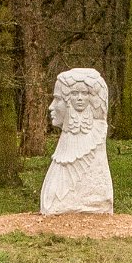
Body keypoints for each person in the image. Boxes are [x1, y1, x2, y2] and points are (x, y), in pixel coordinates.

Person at [39, 68, 113, 215]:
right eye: (75, 93)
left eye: (58, 99)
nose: (51, 106)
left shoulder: (95, 136)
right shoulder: (67, 143)